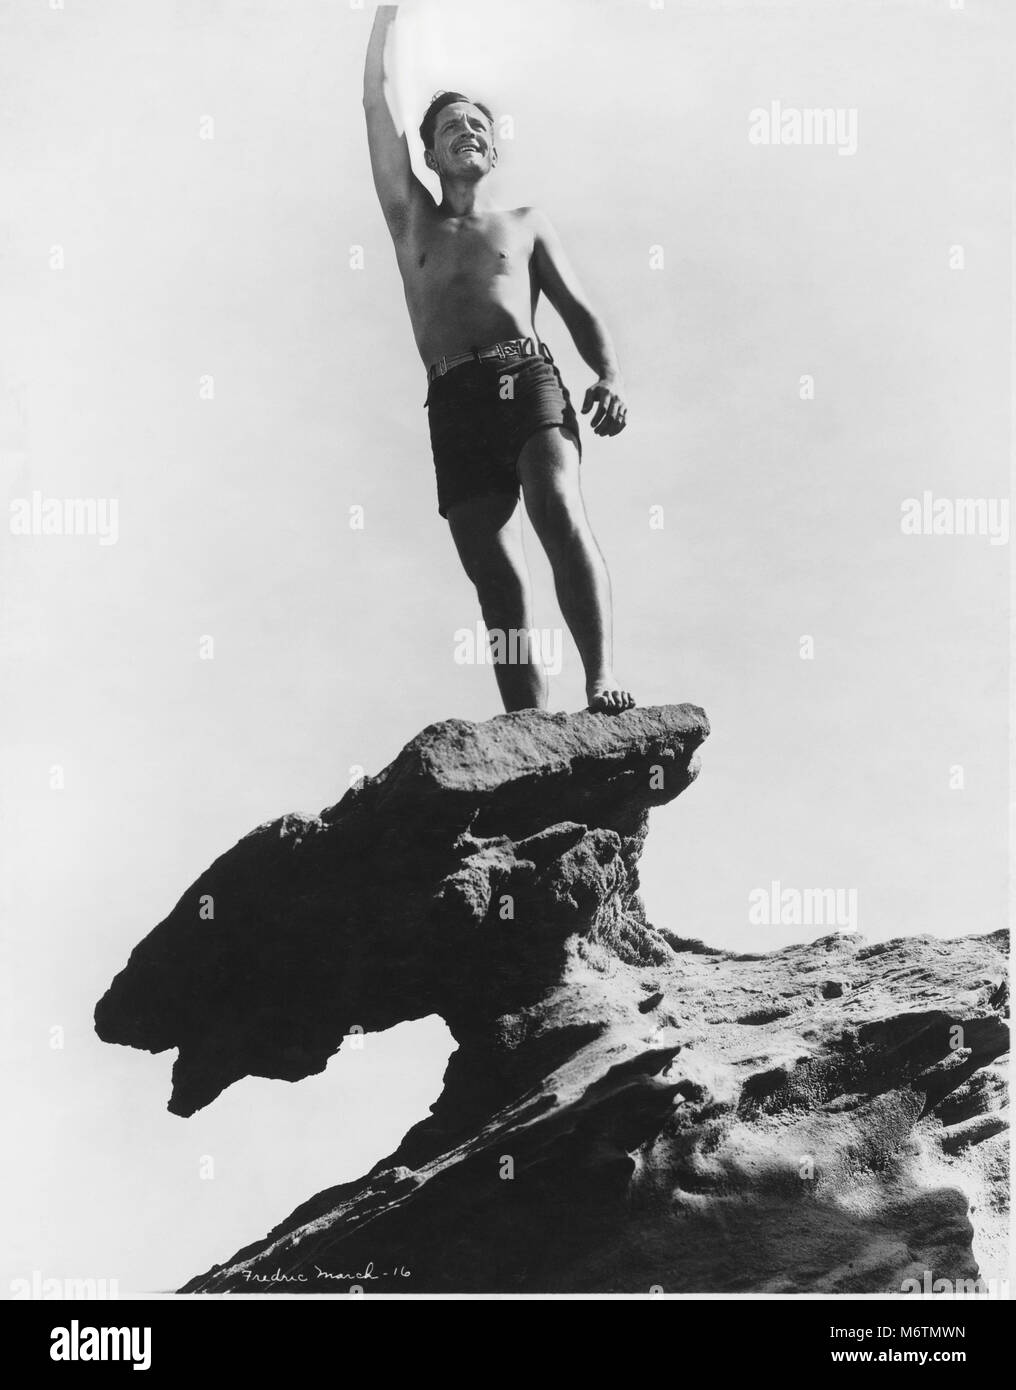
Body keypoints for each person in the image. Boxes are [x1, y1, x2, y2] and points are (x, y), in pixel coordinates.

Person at [363, 4, 634, 714]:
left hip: (524, 376)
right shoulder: (411, 220)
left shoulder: (523, 224)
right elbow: (376, 101)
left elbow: (580, 311)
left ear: (494, 148)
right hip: (453, 397)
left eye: (479, 125)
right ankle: (528, 722)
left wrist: (607, 374)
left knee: (557, 507)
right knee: (495, 573)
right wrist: (386, 14)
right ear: (429, 154)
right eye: (452, 127)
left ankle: (601, 678)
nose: (468, 132)